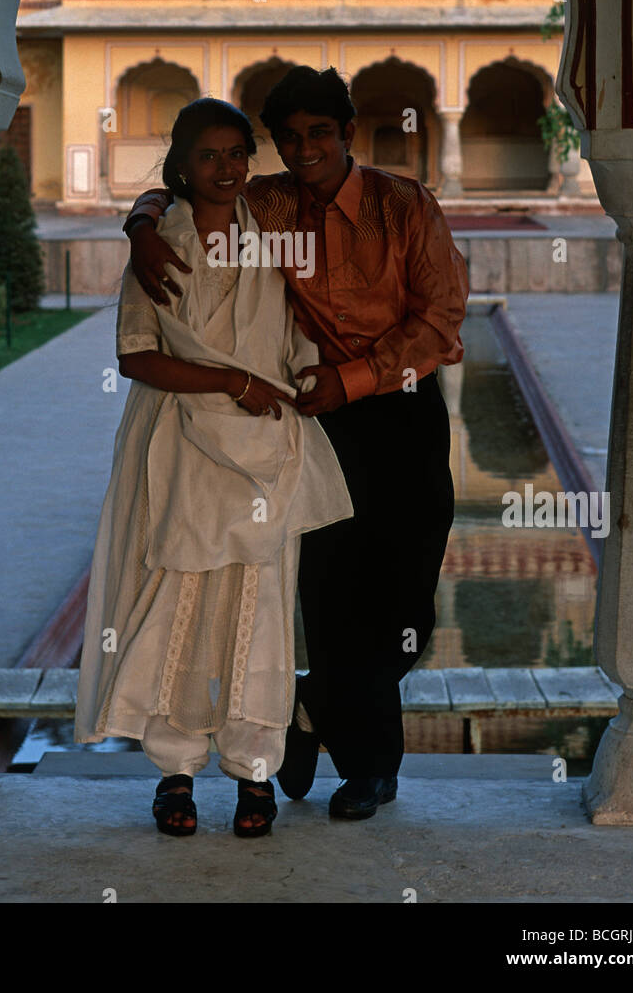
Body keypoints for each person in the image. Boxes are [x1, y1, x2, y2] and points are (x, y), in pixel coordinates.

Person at [124, 67, 469, 820]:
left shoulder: (403, 205)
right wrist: (142, 224)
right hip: (314, 419)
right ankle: (373, 768)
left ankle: (312, 708)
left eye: (319, 133)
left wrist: (356, 377)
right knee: (331, 594)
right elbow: (187, 180)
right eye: (288, 138)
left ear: (347, 134)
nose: (304, 148)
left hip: (400, 410)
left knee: (407, 599)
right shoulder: (266, 203)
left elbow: (440, 319)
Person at [74, 97, 353, 838]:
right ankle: (175, 771)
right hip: (184, 441)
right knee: (180, 608)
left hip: (264, 446)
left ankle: (254, 772)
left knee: (258, 613)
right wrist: (232, 381)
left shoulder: (267, 235)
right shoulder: (158, 247)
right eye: (209, 155)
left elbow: (294, 328)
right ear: (183, 164)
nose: (227, 168)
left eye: (238, 154)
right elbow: (136, 357)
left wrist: (306, 374)